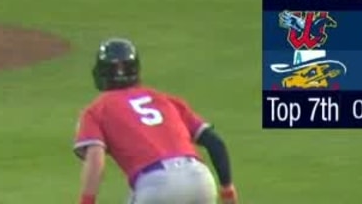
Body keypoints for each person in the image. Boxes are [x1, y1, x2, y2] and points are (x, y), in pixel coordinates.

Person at [73, 38, 239, 204]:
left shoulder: (95, 110)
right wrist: (227, 189)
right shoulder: (166, 100)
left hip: (156, 185)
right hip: (200, 180)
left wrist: (86, 201)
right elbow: (215, 143)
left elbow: (96, 159)